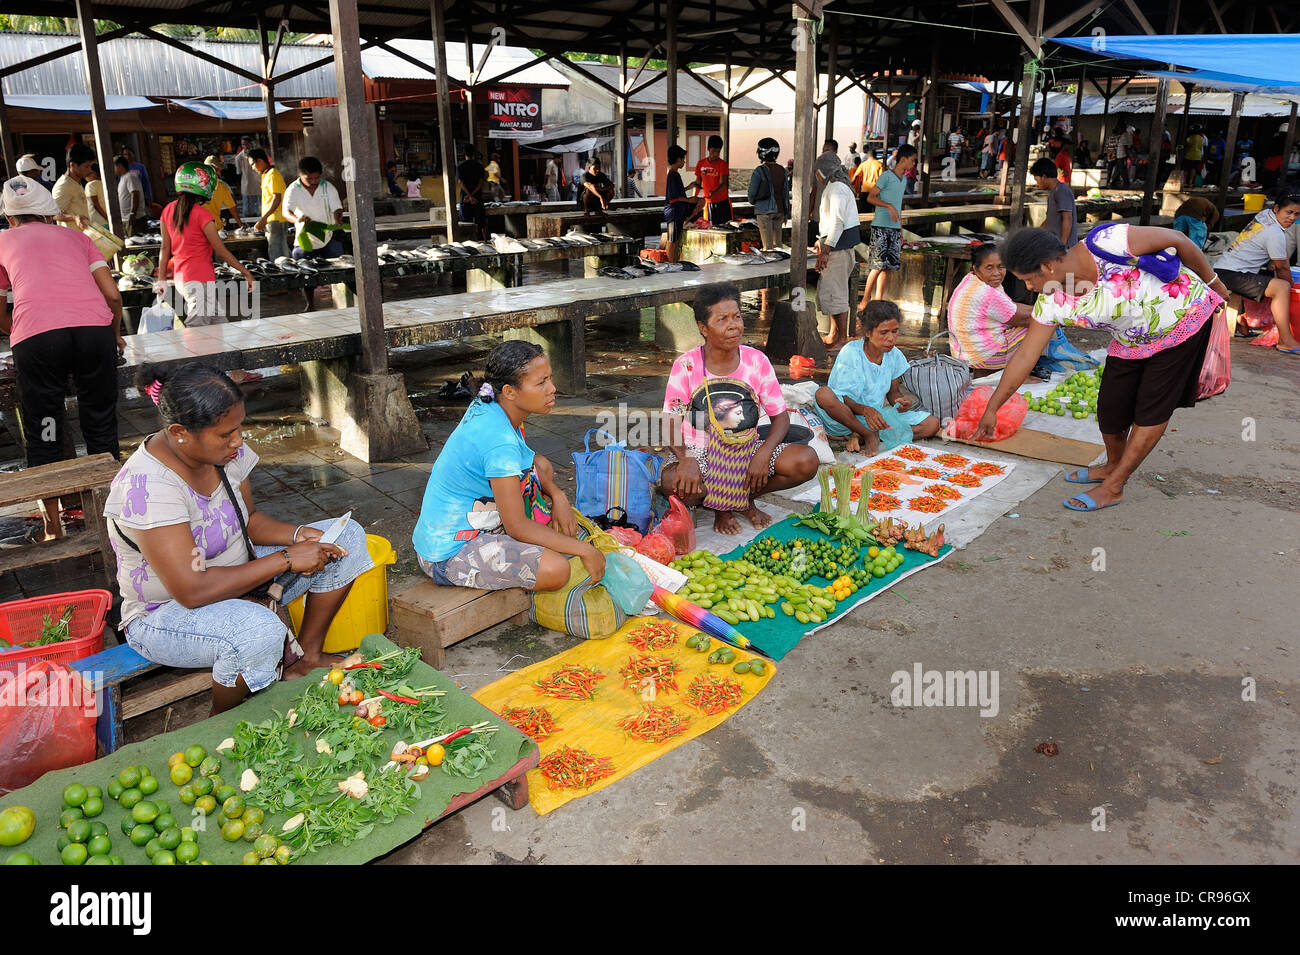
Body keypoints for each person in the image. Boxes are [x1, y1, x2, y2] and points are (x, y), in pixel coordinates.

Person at [105, 362, 373, 714]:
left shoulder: (223, 452)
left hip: (242, 580)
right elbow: (191, 590)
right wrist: (288, 558)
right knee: (258, 630)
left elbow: (250, 521)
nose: (238, 441)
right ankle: (224, 717)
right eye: (226, 434)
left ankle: (305, 658)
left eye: (239, 428)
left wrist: (299, 535)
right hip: (166, 615)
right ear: (180, 432)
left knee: (346, 537)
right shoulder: (148, 488)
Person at [977, 225, 1229, 511]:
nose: (1028, 288)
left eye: (1028, 280)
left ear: (1047, 266)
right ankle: (1112, 465)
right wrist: (992, 408)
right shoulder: (1050, 300)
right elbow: (1025, 356)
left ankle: (1114, 486)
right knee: (1110, 408)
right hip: (1132, 337)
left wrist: (1214, 282)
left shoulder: (1107, 243)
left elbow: (1178, 240)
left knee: (1152, 406)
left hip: (1181, 318)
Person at [413, 340, 597, 593]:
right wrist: (585, 550)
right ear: (510, 391)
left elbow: (531, 463)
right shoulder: (499, 442)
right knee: (556, 569)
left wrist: (557, 494)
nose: (552, 389)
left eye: (549, 379)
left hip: (482, 522)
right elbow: (517, 526)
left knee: (542, 465)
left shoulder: (492, 403)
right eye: (541, 382)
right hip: (448, 552)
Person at [0, 176, 124, 542]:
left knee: (46, 427)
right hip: (93, 335)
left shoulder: (2, 241)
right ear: (50, 215)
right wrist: (114, 334)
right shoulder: (78, 237)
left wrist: (13, 329)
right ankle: (115, 522)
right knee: (100, 422)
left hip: (40, 341)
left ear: (10, 218)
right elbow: (113, 296)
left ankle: (53, 527)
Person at [660, 284, 818, 534]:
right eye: (722, 319)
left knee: (806, 460)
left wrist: (764, 453)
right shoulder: (687, 365)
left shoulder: (757, 361)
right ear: (704, 328)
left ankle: (743, 500)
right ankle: (722, 507)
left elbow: (781, 419)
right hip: (698, 451)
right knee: (672, 482)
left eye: (737, 316)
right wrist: (685, 458)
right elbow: (669, 422)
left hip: (745, 448)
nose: (734, 325)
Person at [815, 299, 941, 455]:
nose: (891, 338)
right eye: (884, 332)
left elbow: (893, 392)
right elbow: (844, 398)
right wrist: (866, 411)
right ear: (868, 333)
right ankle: (867, 436)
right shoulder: (851, 353)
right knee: (824, 394)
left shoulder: (895, 356)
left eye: (895, 331)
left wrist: (900, 402)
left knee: (931, 424)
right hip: (845, 418)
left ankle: (862, 435)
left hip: (873, 419)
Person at [947, 243, 1088, 379]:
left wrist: (1051, 309)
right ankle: (1019, 374)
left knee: (1045, 317)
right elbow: (1026, 319)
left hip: (965, 354)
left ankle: (988, 371)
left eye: (1001, 266)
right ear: (976, 269)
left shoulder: (972, 280)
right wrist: (1059, 313)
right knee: (1043, 326)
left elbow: (1011, 306)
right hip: (981, 355)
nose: (996, 273)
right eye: (989, 268)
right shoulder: (986, 293)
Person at [157, 162, 255, 327]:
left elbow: (164, 248)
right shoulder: (203, 214)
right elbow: (221, 252)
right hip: (198, 281)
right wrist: (245, 272)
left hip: (183, 279)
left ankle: (221, 353)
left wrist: (161, 279)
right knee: (196, 330)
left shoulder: (167, 210)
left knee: (219, 324)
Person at [1212, 190, 1300, 354]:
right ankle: (1285, 340)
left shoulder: (1265, 215)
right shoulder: (1274, 232)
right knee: (1282, 287)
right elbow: (1283, 268)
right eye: (1289, 212)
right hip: (1231, 274)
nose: (1292, 218)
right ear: (1276, 208)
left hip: (1225, 270)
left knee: (1273, 279)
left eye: (1297, 214)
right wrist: (1294, 291)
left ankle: (1245, 320)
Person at [859, 143, 915, 310]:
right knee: (876, 265)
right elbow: (871, 197)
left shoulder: (904, 179)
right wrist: (888, 206)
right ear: (903, 160)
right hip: (880, 226)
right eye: (912, 161)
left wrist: (901, 229)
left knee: (888, 267)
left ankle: (878, 300)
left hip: (895, 228)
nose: (913, 164)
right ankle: (865, 300)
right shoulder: (886, 176)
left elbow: (898, 205)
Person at [814, 152, 860, 350]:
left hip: (838, 249)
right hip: (836, 246)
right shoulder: (834, 187)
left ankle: (842, 339)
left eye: (817, 172)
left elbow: (838, 222)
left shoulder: (837, 189)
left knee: (837, 293)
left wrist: (826, 249)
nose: (816, 176)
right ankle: (834, 334)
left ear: (823, 171)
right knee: (831, 291)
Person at [747, 137, 789, 251]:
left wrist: (753, 201)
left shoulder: (759, 171)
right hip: (780, 211)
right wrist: (786, 213)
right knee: (778, 247)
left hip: (764, 212)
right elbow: (785, 193)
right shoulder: (782, 170)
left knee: (768, 248)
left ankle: (771, 268)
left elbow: (751, 195)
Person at [248, 147, 289, 260]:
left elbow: (277, 198)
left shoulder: (273, 174)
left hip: (276, 220)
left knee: (278, 255)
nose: (252, 168)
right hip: (273, 220)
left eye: (252, 164)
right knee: (278, 252)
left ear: (260, 161)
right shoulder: (266, 175)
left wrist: (264, 219)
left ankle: (283, 277)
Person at [1032, 157, 1078, 249]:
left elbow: (1067, 218)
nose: (1037, 184)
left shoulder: (1061, 191)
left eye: (1036, 180)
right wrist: (1034, 234)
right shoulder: (1054, 192)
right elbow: (1049, 220)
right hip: (1054, 243)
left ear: (1044, 177)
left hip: (1065, 246)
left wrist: (1062, 245)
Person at [663, 144, 695, 263]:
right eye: (683, 159)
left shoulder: (675, 174)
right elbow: (673, 199)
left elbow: (677, 192)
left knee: (675, 240)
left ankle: (674, 262)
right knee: (672, 240)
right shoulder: (672, 175)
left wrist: (688, 187)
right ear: (678, 159)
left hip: (677, 212)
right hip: (674, 212)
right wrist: (689, 200)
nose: (684, 162)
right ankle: (671, 264)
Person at [52, 143, 94, 230]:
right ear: (73, 165)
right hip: (72, 239)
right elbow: (54, 214)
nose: (90, 170)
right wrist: (74, 218)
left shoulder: (76, 182)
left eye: (90, 166)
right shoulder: (63, 185)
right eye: (87, 166)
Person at [692, 135, 732, 225]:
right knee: (708, 228)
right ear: (708, 149)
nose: (715, 154)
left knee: (724, 228)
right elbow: (698, 182)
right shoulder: (700, 164)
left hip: (722, 202)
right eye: (713, 151)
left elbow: (723, 183)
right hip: (707, 203)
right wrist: (694, 197)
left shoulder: (722, 164)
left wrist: (713, 192)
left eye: (718, 152)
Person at [201, 155, 244, 229]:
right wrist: (240, 224)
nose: (220, 173)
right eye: (218, 170)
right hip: (211, 227)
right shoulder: (221, 186)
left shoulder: (221, 186)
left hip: (208, 227)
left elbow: (232, 206)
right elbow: (232, 207)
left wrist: (241, 225)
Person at [457, 146, 487, 237]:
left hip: (465, 198)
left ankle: (468, 242)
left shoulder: (460, 166)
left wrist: (469, 196)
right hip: (477, 198)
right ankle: (485, 241)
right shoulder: (479, 166)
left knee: (466, 223)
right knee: (481, 222)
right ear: (473, 154)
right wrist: (473, 196)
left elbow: (461, 183)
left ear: (464, 154)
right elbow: (481, 183)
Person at [114, 155, 144, 237]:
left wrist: (132, 213)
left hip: (132, 218)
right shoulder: (122, 178)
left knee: (135, 242)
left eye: (114, 166)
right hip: (126, 218)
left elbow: (135, 194)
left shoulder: (130, 177)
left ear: (119, 166)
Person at [234, 137, 261, 218]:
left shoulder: (258, 155)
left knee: (260, 210)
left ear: (250, 144)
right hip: (246, 185)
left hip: (258, 184)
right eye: (243, 144)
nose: (245, 146)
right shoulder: (238, 158)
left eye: (246, 144)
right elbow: (238, 173)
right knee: (248, 211)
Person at [83, 163, 109, 229]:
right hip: (106, 220)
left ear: (96, 173)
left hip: (98, 222)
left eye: (89, 173)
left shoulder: (90, 184)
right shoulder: (104, 183)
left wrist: (106, 217)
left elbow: (95, 204)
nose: (86, 175)